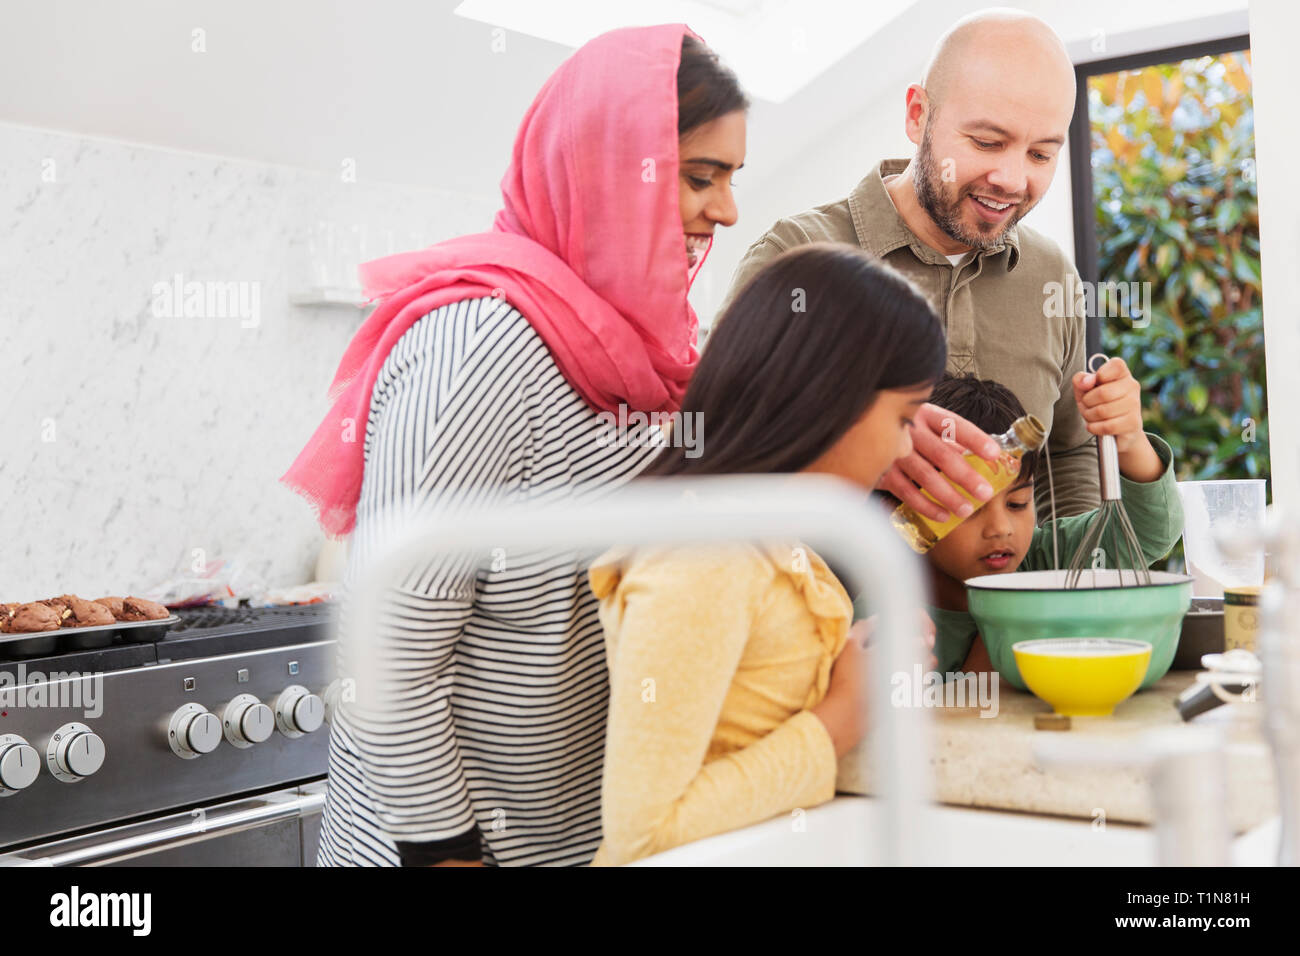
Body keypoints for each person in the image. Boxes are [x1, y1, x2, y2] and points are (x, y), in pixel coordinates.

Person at [280, 24, 748, 866]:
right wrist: (450, 852)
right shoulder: (479, 345)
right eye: (700, 178)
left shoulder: (656, 353)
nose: (727, 210)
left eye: (730, 179)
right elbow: (391, 645)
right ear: (612, 172)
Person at [587, 243, 946, 866]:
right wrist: (840, 718)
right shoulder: (706, 553)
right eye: (905, 417)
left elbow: (748, 695)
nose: (906, 447)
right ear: (833, 397)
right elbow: (642, 834)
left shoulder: (760, 528)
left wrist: (851, 658)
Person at [720, 8, 1102, 528]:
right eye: (987, 142)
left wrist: (1070, 592)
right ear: (918, 114)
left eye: (1040, 154)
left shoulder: (1051, 275)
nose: (1011, 179)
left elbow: (1068, 457)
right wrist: (861, 436)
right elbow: (719, 452)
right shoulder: (796, 256)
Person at [918, 368, 1184, 675]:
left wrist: (1131, 442)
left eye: (1017, 504)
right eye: (971, 507)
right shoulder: (889, 609)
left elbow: (1151, 529)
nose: (1001, 528)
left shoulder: (1049, 560)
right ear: (908, 506)